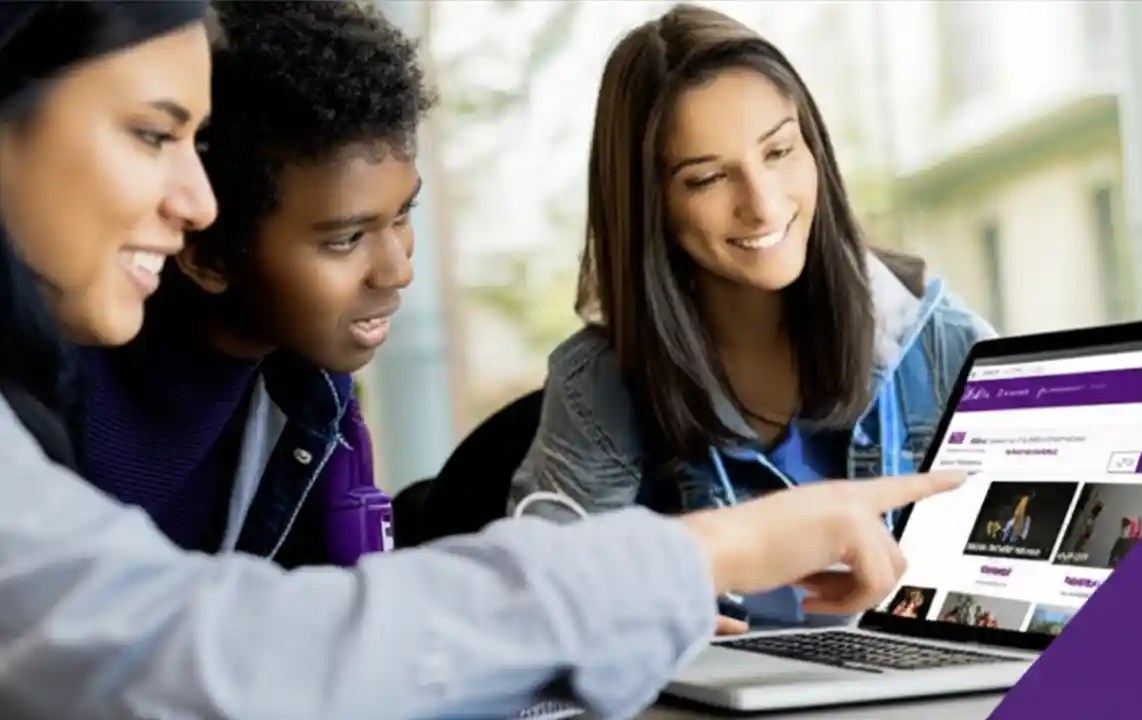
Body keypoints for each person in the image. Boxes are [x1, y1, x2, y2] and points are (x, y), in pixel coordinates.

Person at [0, 3, 964, 719]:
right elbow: (201, 652)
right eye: (152, 134)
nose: (195, 197)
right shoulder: (599, 381)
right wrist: (699, 557)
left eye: (405, 216)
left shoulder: (310, 405)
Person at [507, 3, 994, 624]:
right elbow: (536, 591)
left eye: (780, 151)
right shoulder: (600, 383)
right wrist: (633, 610)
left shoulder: (944, 345)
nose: (762, 206)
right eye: (708, 179)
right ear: (650, 206)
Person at [73, 0, 425, 569]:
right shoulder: (50, 388)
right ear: (208, 254)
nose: (398, 269)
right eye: (345, 239)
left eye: (403, 215)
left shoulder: (318, 410)